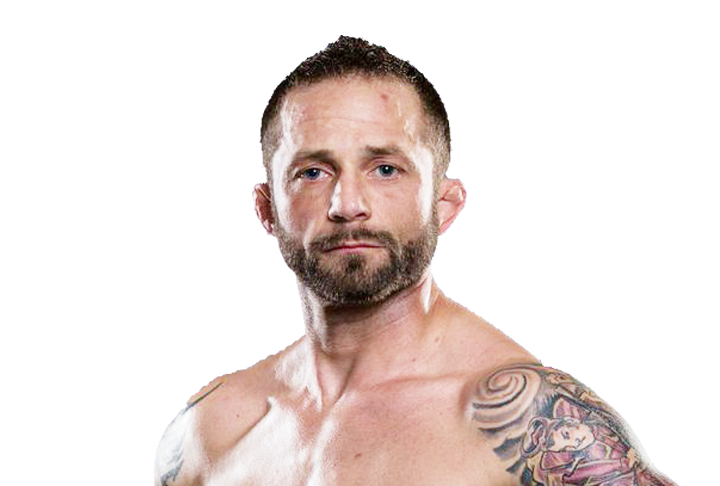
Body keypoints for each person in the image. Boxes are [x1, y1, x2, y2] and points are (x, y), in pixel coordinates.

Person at [155, 39, 674, 486]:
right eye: (313, 172)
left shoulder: (525, 422)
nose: (347, 204)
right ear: (267, 209)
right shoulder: (212, 427)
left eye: (385, 169)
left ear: (444, 205)